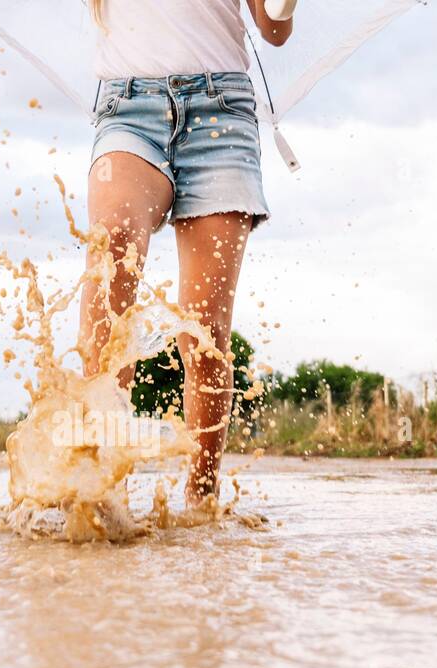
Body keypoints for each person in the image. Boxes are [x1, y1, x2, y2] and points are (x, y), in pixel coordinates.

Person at [77, 0, 293, 510]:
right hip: (129, 108)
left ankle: (201, 502)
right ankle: (101, 492)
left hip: (223, 112)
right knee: (112, 250)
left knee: (204, 329)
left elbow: (274, 29)